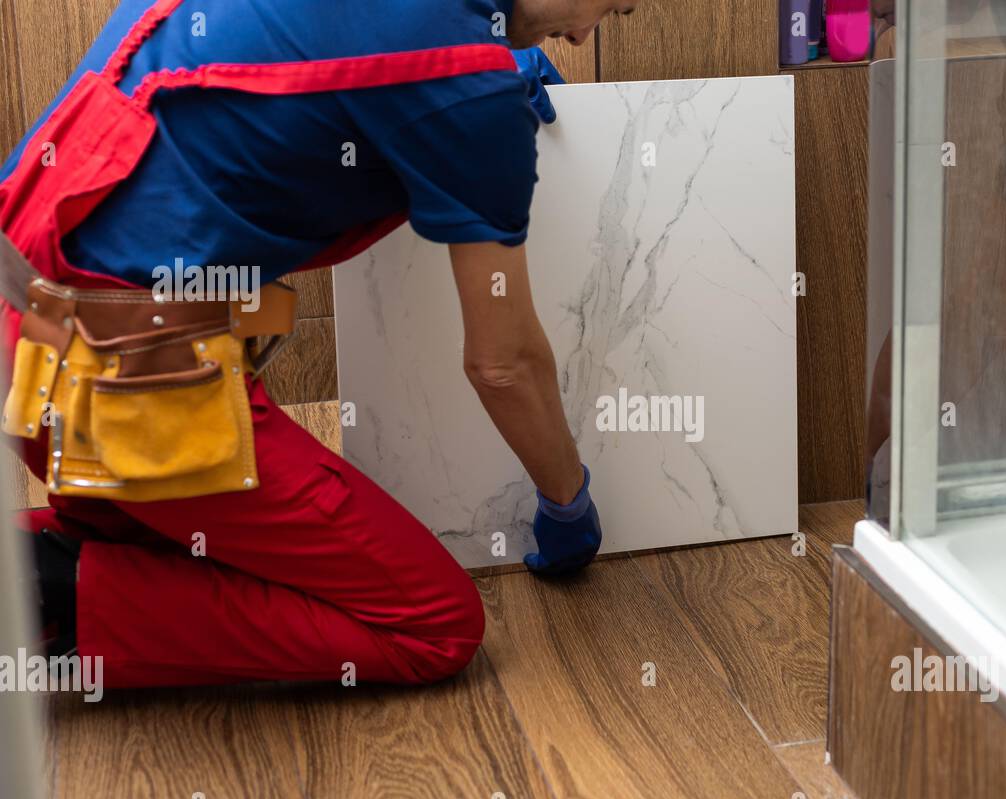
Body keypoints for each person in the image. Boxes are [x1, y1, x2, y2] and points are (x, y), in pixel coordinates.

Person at [0, 0, 639, 689]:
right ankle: (54, 601)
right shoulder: (462, 84)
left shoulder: (447, 61)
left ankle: (64, 560)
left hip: (25, 326)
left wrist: (477, 67)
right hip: (109, 382)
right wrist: (566, 501)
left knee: (163, 547)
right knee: (434, 626)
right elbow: (504, 364)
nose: (582, 35)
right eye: (612, 5)